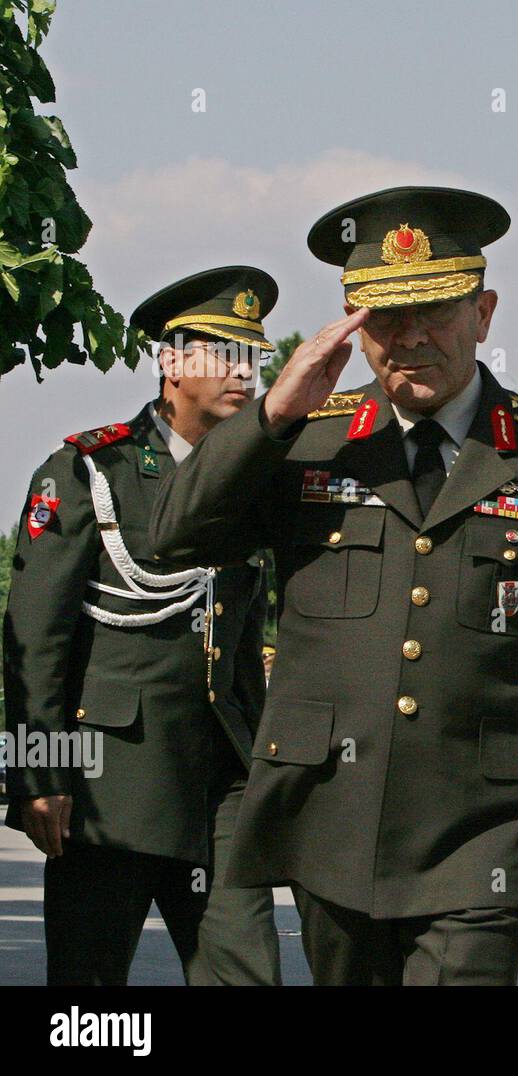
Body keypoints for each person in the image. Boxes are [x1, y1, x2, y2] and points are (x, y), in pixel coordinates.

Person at [150, 187, 518, 986]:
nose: (412, 339)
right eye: (386, 319)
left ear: (484, 313)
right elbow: (174, 535)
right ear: (355, 327)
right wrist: (274, 415)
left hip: (484, 831)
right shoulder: (309, 443)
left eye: (436, 311)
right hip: (333, 818)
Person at [4, 266, 281, 985]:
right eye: (224, 354)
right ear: (170, 361)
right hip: (109, 786)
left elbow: (243, 639)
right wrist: (38, 774)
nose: (244, 374)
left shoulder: (257, 479)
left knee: (245, 972)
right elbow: (37, 639)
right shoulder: (92, 471)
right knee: (91, 992)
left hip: (222, 781)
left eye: (253, 357)